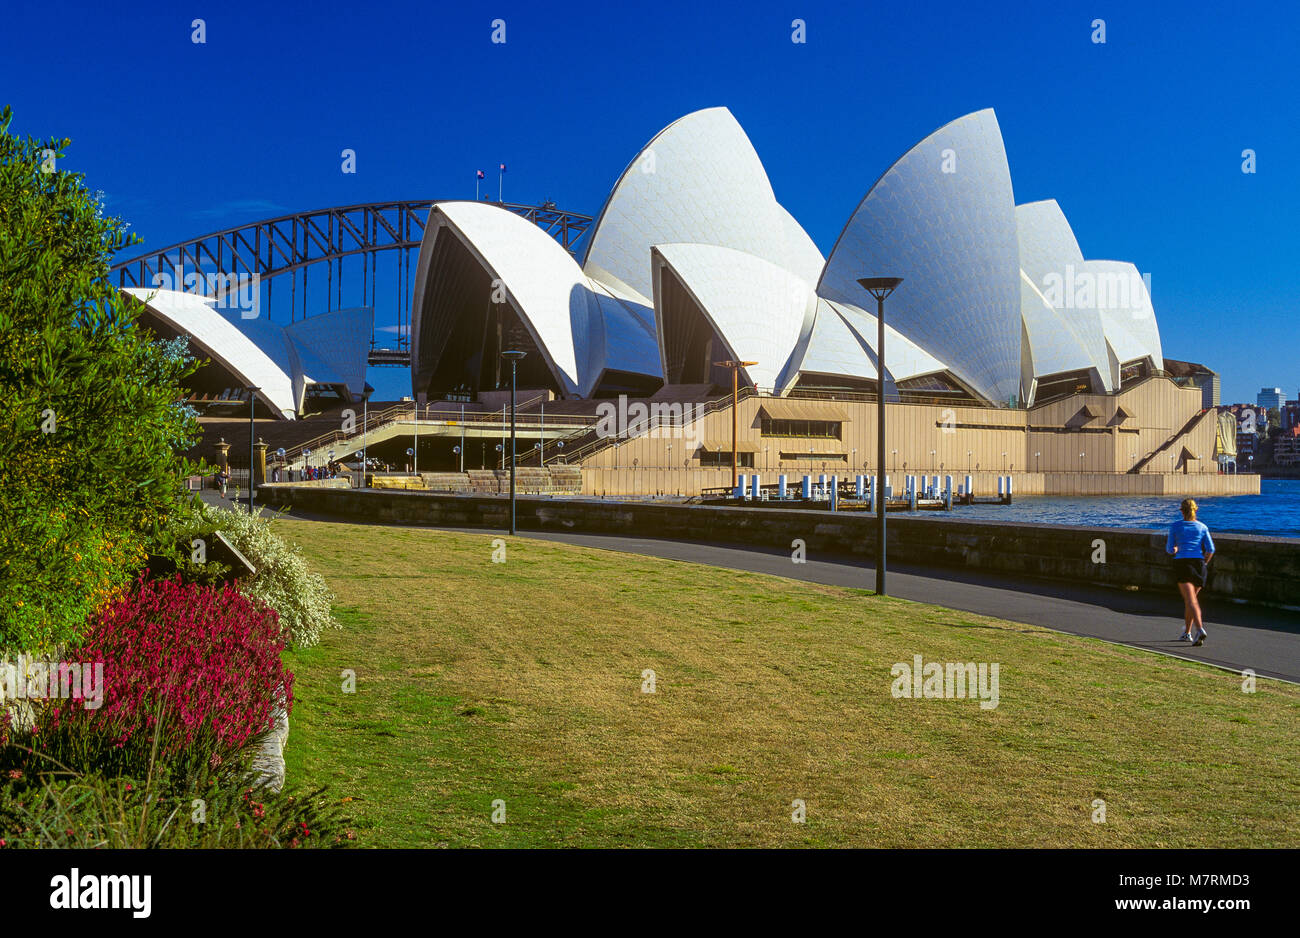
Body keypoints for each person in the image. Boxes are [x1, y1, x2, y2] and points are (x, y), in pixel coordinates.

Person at [1166, 498, 1215, 646]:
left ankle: (1199, 629)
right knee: (1190, 600)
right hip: (1199, 565)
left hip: (1183, 564)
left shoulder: (1175, 527)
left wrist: (1175, 549)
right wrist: (1204, 563)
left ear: (1181, 511)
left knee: (1191, 600)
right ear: (1196, 510)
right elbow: (1211, 549)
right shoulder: (1202, 527)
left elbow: (1169, 549)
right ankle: (1187, 633)